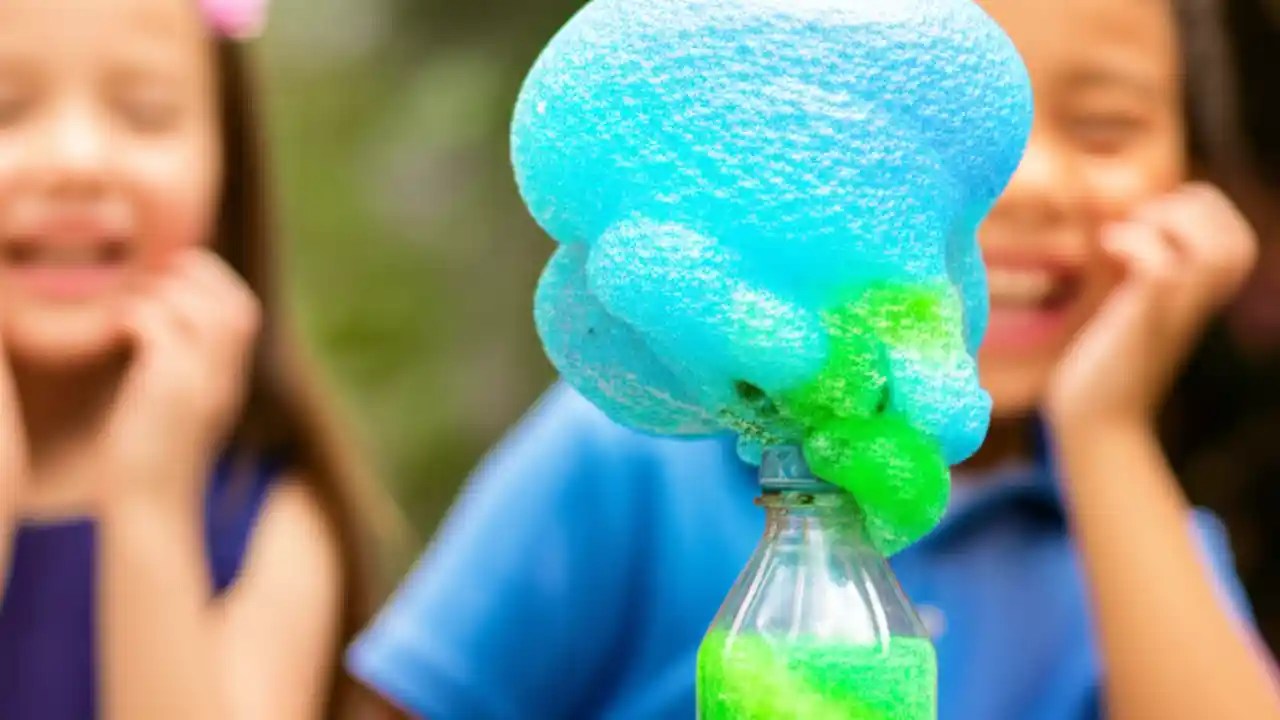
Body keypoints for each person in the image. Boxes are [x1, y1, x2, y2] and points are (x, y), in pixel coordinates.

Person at [348, 0, 1280, 717]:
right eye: (913, 131)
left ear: (1195, 182)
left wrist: (1107, 429)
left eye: (1105, 126)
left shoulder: (1137, 539)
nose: (1025, 184)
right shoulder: (634, 458)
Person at [0, 0, 391, 718]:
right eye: (7, 109)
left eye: (145, 113)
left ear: (228, 164)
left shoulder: (267, 521)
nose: (76, 162)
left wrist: (149, 505)